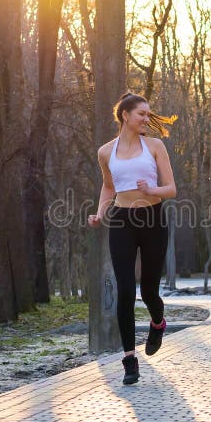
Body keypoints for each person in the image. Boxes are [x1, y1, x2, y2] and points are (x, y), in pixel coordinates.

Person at [88, 92, 177, 385]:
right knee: (126, 290)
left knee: (149, 290)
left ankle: (157, 323)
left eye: (148, 114)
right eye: (141, 114)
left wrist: (152, 190)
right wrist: (100, 212)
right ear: (125, 115)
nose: (146, 119)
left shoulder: (154, 146)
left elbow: (171, 189)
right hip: (122, 221)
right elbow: (108, 187)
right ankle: (129, 359)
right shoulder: (105, 152)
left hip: (153, 219)